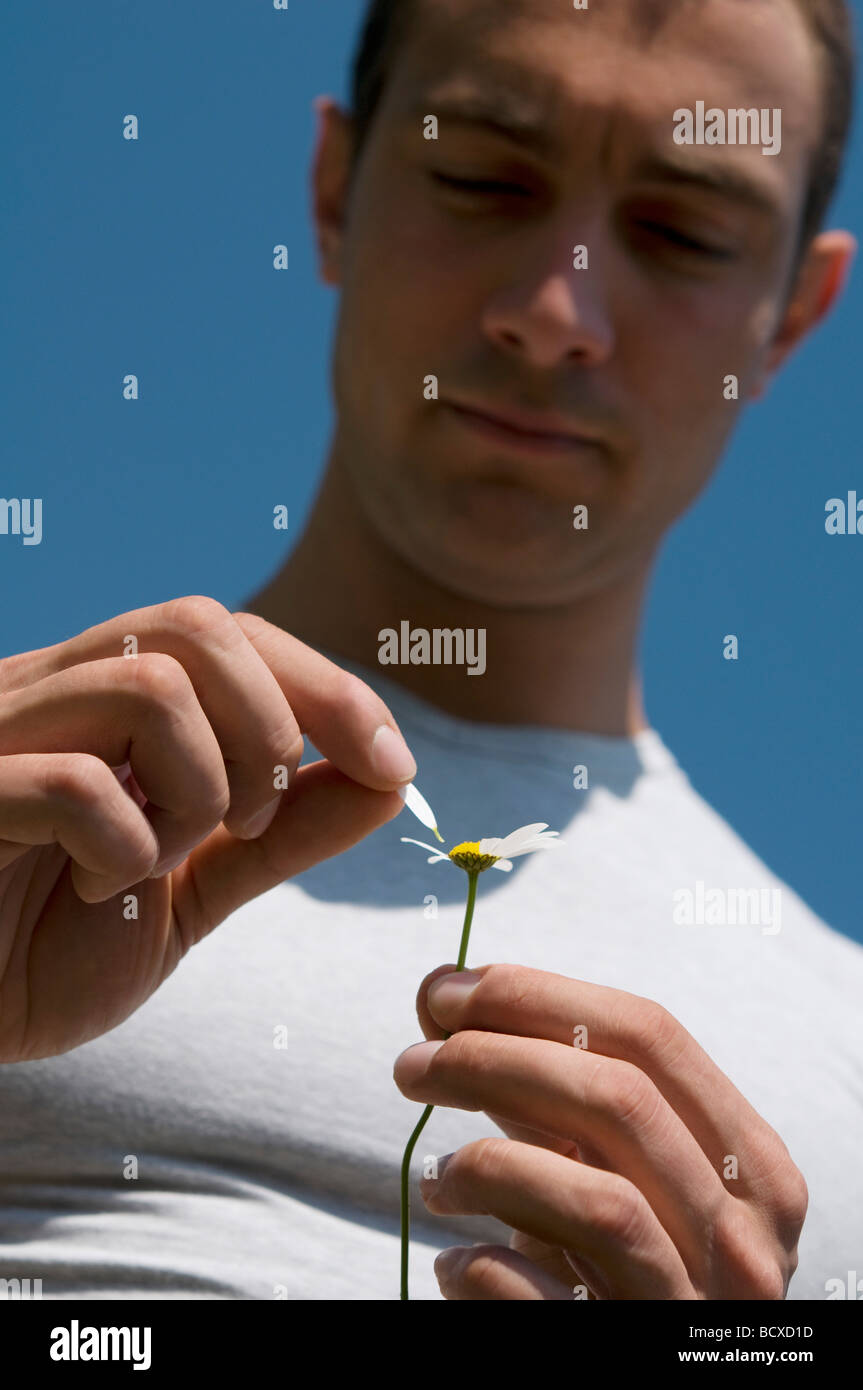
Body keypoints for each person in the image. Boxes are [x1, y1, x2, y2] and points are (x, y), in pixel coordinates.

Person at [0, 0, 860, 1301]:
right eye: (482, 177)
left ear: (794, 313)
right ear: (335, 186)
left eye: (684, 231)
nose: (557, 310)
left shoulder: (840, 1055)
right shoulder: (19, 814)